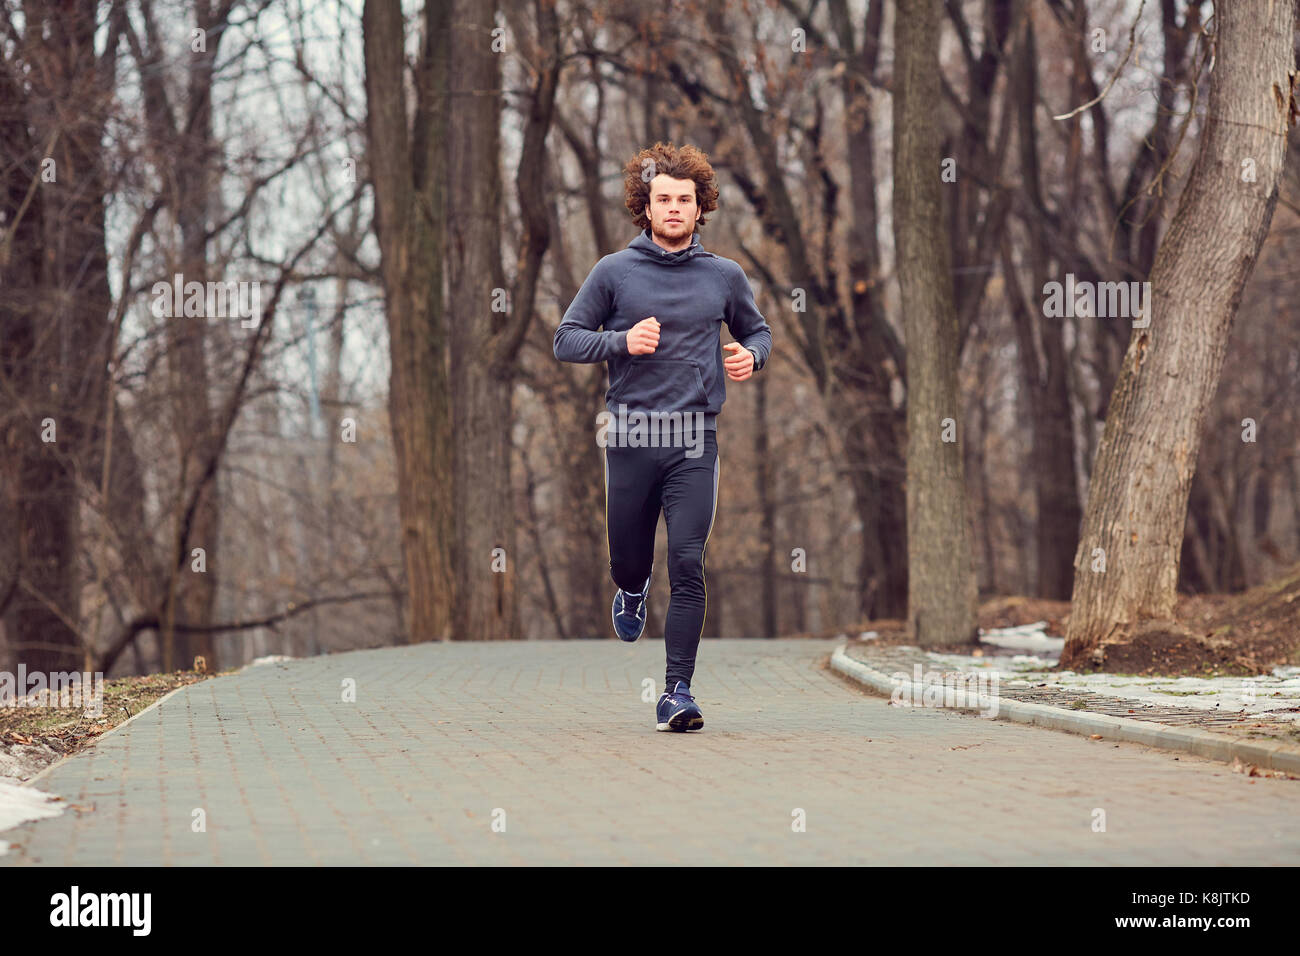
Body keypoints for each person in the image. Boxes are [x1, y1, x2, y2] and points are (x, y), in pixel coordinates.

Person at [553, 142, 772, 732]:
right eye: (663, 200)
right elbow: (566, 339)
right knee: (628, 555)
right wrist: (621, 341)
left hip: (693, 438)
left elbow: (760, 332)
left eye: (685, 200)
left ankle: (677, 690)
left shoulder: (724, 276)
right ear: (644, 208)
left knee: (688, 560)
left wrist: (751, 356)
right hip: (629, 435)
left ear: (700, 208)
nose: (674, 208)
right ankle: (630, 588)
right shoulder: (613, 272)